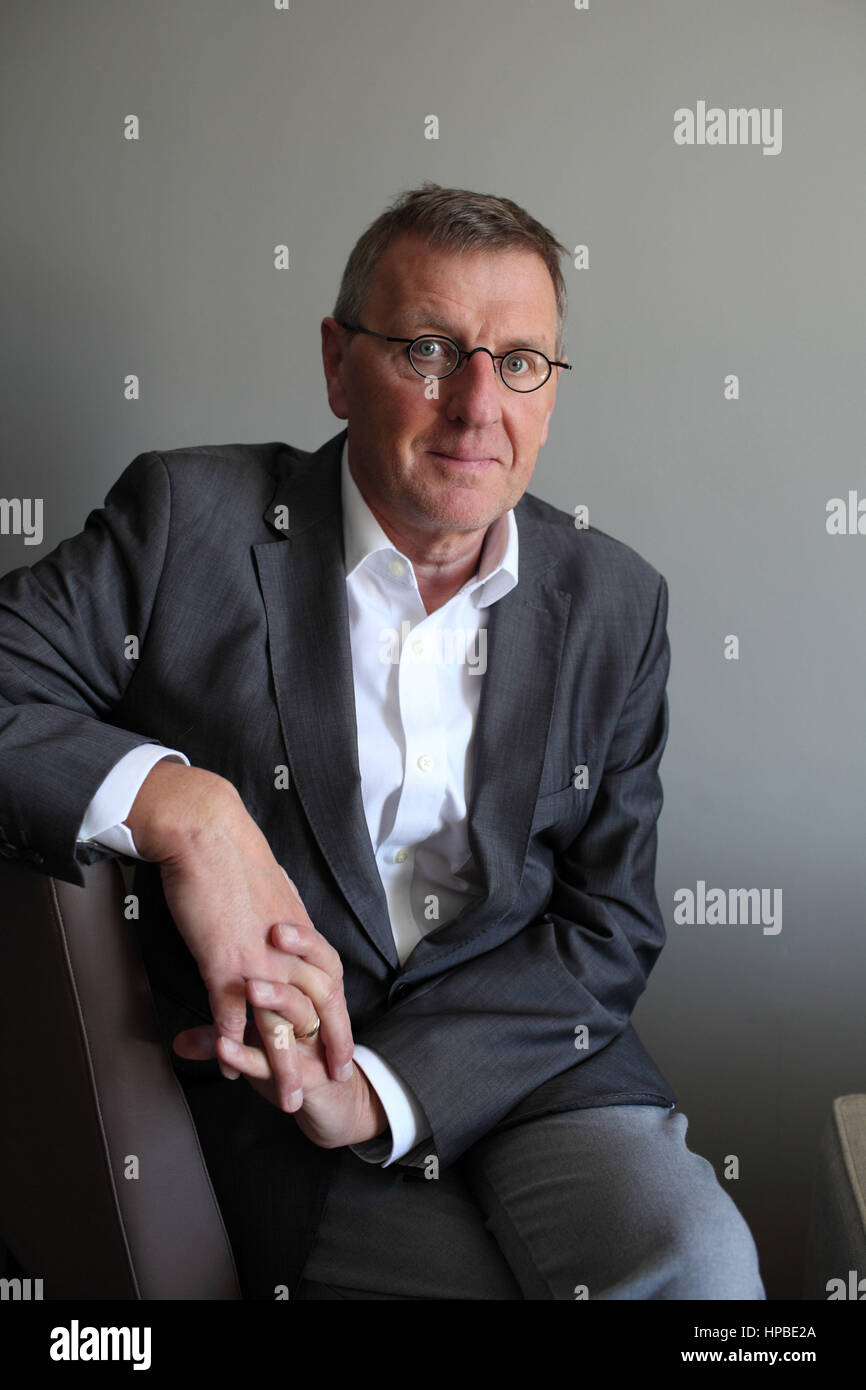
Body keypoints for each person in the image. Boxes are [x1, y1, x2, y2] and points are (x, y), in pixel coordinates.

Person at [0, 182, 765, 1300]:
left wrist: (387, 1086)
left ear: (548, 393)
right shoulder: (188, 525)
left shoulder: (616, 601)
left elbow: (608, 926)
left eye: (517, 362)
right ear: (334, 361)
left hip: (536, 1069)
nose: (473, 404)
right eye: (425, 348)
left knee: (700, 1271)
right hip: (278, 1104)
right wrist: (193, 812)